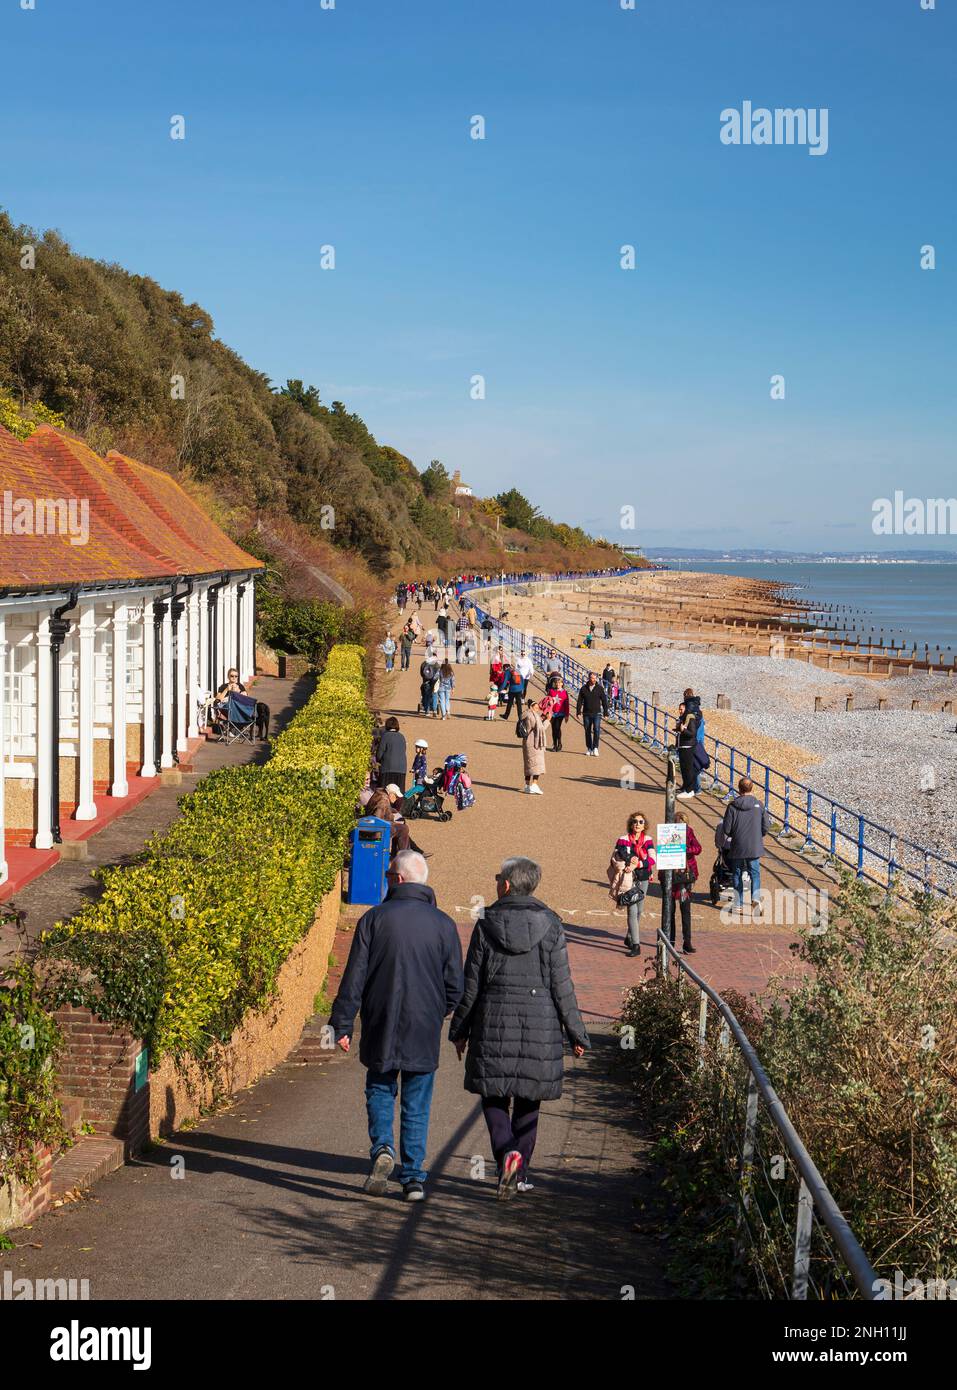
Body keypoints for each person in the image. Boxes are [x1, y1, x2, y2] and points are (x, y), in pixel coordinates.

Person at [448, 857, 589, 1199]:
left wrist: (460, 1029)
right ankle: (520, 1168)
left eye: (498, 877)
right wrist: (576, 1032)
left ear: (507, 885)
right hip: (540, 1023)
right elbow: (562, 984)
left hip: (492, 1020)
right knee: (530, 1098)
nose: (496, 882)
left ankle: (506, 1152)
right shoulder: (552, 924)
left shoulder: (486, 923)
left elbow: (473, 984)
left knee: (493, 1095)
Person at [332, 850, 464, 1201]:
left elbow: (354, 977)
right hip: (424, 1025)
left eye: (389, 874)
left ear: (399, 879)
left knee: (379, 1088)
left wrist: (342, 1024)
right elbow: (456, 986)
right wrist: (439, 1011)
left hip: (380, 1019)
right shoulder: (444, 925)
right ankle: (413, 1178)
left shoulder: (374, 920)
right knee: (417, 1101)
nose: (387, 879)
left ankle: (382, 1149)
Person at [607, 811, 656, 957]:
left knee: (640, 910)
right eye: (635, 821)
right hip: (628, 879)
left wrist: (638, 864)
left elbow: (653, 858)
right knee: (632, 910)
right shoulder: (623, 839)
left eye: (641, 822)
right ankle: (636, 944)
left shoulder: (647, 839)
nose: (638, 824)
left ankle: (630, 935)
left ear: (645, 825)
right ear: (631, 824)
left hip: (643, 877)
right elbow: (615, 857)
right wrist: (628, 863)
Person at [721, 777, 770, 917]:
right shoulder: (759, 805)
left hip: (737, 845)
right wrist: (758, 834)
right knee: (755, 872)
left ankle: (738, 905)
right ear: (751, 788)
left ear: (739, 788)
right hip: (754, 845)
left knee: (736, 873)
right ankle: (755, 897)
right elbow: (766, 826)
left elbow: (727, 829)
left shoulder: (732, 806)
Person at [659, 812, 700, 954]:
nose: (680, 826)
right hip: (670, 875)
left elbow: (698, 848)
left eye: (682, 823)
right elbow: (662, 851)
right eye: (677, 823)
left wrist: (683, 849)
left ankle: (687, 942)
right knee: (669, 911)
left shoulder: (689, 832)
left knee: (685, 910)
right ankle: (670, 942)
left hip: (684, 878)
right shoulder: (666, 832)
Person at [675, 689, 701, 798]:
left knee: (689, 768)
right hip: (684, 745)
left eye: (682, 709)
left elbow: (692, 733)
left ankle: (690, 790)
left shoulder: (690, 717)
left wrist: (682, 730)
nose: (680, 711)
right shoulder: (687, 717)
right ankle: (686, 787)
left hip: (688, 745)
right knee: (684, 768)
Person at [576, 671, 609, 756]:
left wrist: (606, 713)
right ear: (589, 678)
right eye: (592, 678)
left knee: (597, 730)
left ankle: (595, 748)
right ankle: (589, 748)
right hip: (586, 713)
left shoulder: (599, 688)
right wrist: (578, 712)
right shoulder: (583, 688)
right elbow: (579, 701)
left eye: (595, 678)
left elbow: (604, 701)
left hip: (597, 713)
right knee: (587, 731)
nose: (593, 680)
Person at [521, 701, 547, 794]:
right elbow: (539, 729)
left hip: (527, 742)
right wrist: (547, 721)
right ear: (531, 707)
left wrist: (542, 718)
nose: (537, 709)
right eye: (536, 707)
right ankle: (534, 784)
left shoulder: (526, 714)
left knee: (529, 765)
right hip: (534, 742)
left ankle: (527, 786)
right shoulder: (531, 716)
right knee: (537, 765)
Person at [375, 716, 407, 792]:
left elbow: (379, 754)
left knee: (385, 793)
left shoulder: (385, 736)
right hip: (401, 769)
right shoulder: (402, 736)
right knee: (398, 793)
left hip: (387, 768)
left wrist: (379, 761)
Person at [547, 677, 569, 750]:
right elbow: (548, 702)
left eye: (559, 683)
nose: (558, 684)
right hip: (552, 712)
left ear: (562, 684)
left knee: (557, 727)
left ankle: (559, 743)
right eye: (556, 683)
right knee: (553, 728)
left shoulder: (564, 692)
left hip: (561, 713)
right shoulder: (551, 691)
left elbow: (566, 704)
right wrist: (547, 713)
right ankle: (555, 744)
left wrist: (567, 715)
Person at [419, 653, 440, 717]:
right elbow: (438, 674)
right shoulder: (437, 665)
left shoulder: (424, 664)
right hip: (434, 682)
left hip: (426, 682)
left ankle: (427, 711)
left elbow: (421, 674)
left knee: (426, 696)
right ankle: (434, 710)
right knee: (435, 695)